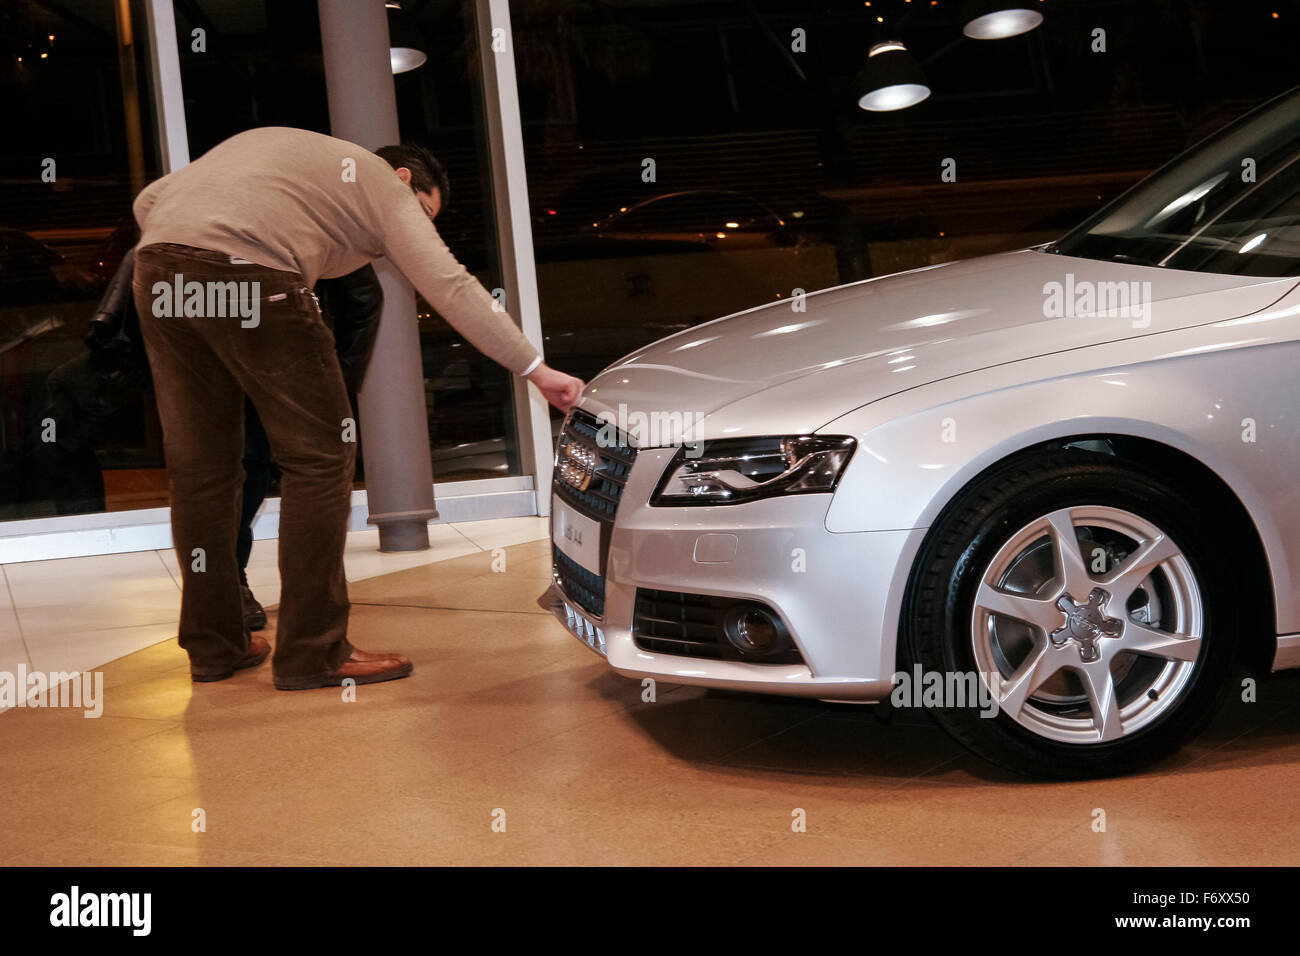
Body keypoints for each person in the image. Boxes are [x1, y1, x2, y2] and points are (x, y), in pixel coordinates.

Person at [131, 128, 583, 690]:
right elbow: (451, 285)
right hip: (253, 274)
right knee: (320, 458)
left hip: (158, 276)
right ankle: (314, 652)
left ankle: (214, 645)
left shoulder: (290, 158)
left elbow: (148, 200)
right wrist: (536, 370)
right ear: (403, 178)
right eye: (422, 212)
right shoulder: (377, 180)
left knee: (202, 468)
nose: (414, 228)